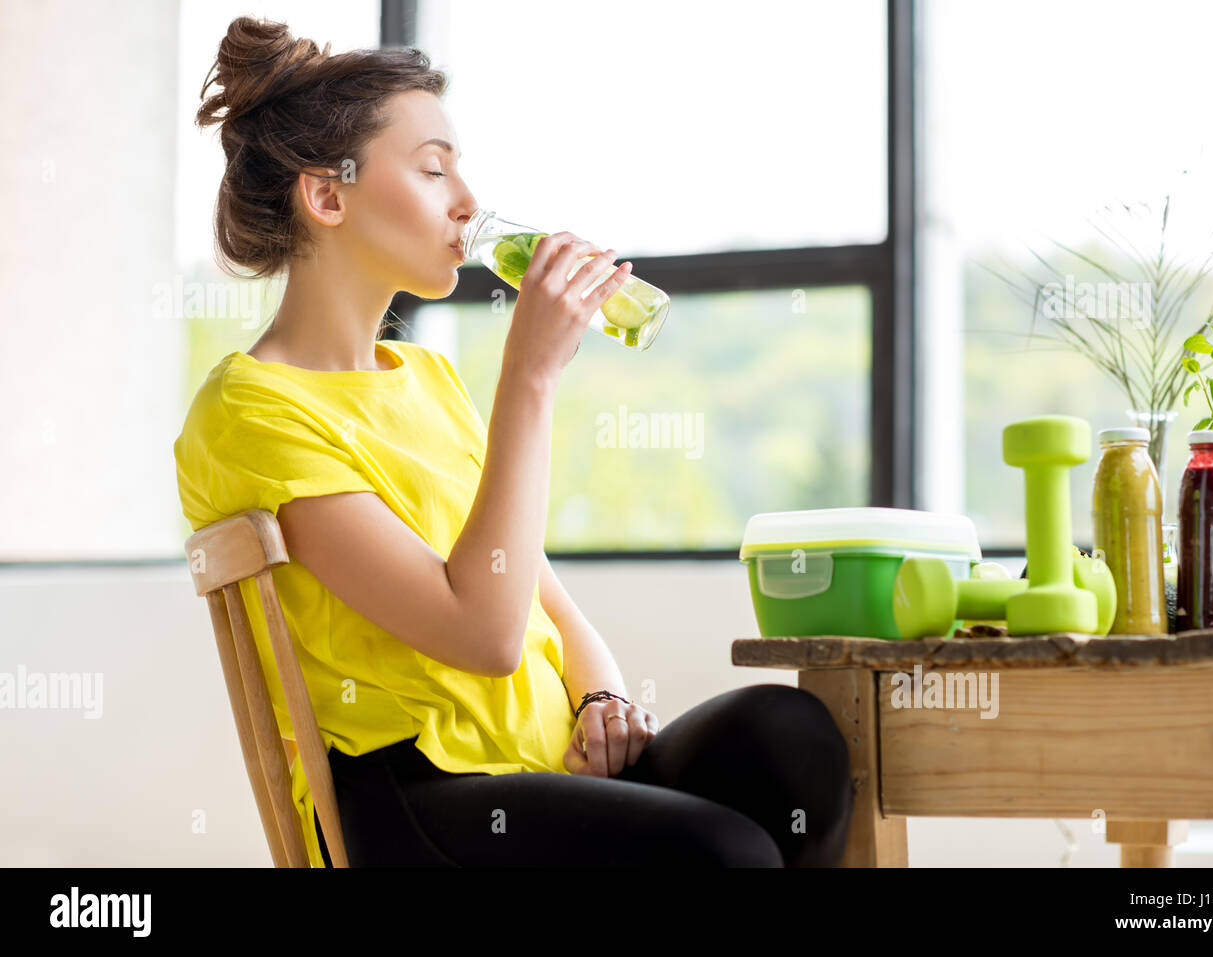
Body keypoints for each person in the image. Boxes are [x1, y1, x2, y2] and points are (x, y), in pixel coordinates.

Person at [174, 16, 852, 868]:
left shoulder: (425, 378)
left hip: (543, 768)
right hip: (412, 802)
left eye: (461, 168)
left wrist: (602, 696)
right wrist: (530, 378)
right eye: (432, 169)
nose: (467, 201)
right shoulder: (251, 411)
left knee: (791, 739)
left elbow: (550, 610)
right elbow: (484, 633)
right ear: (329, 195)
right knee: (722, 850)